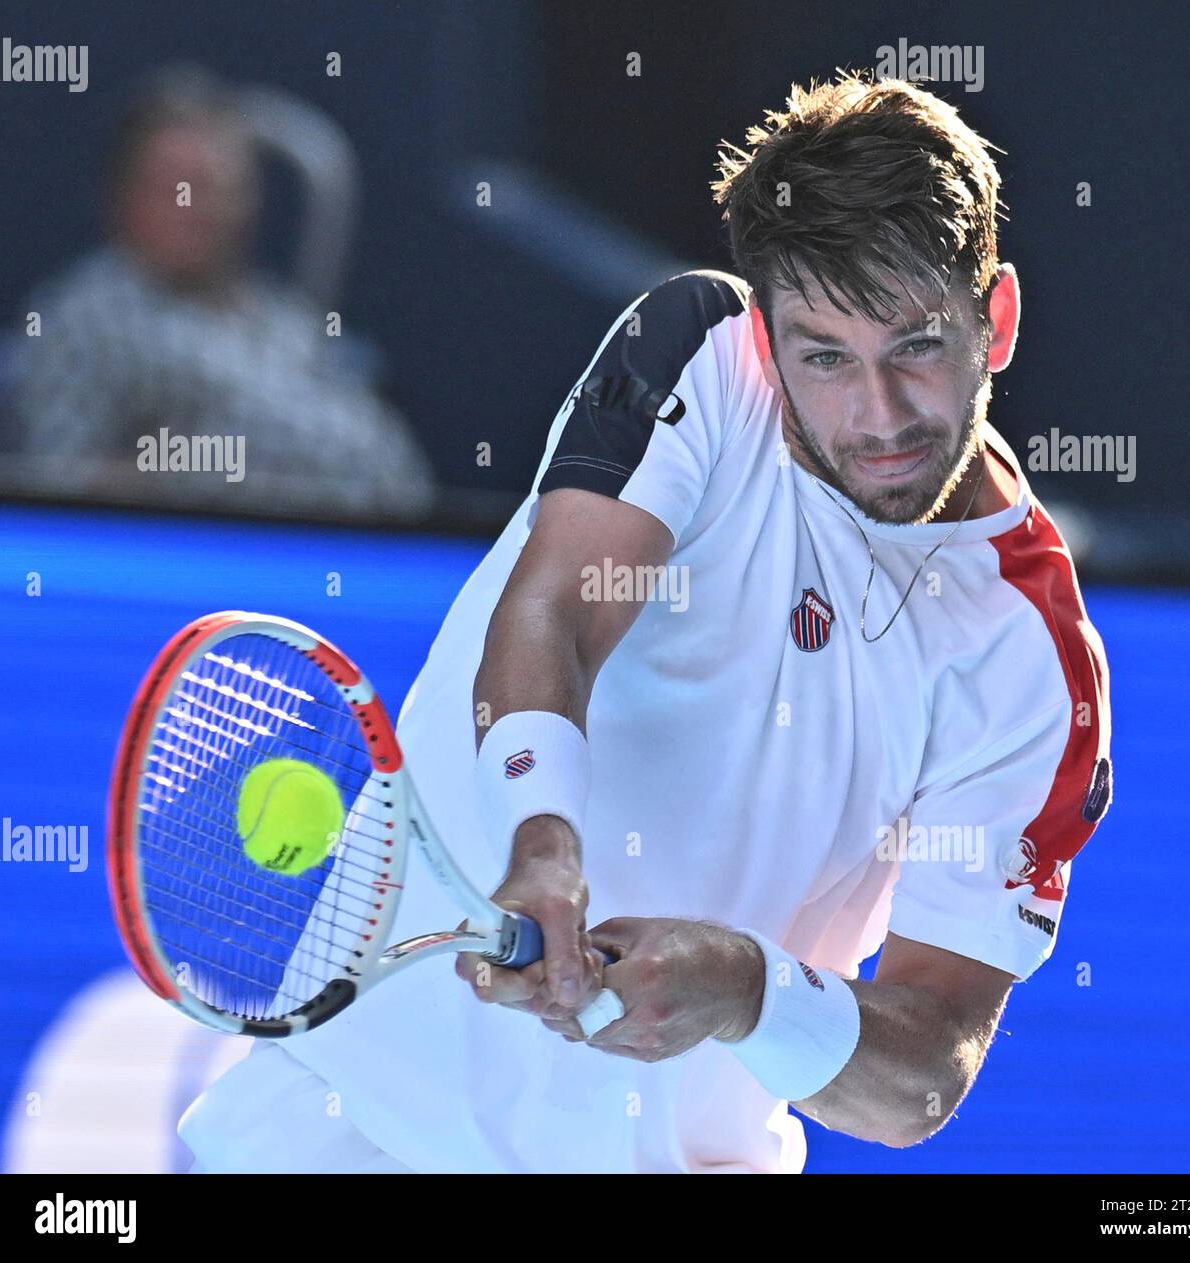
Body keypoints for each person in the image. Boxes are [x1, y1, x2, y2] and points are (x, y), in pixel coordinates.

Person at [179, 68, 1112, 1174]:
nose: (879, 416)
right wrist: (543, 840)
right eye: (825, 356)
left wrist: (748, 992)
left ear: (993, 320)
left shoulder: (1032, 668)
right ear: (767, 337)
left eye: (916, 345)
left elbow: (925, 1071)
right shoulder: (702, 354)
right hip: (341, 1130)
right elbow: (559, 611)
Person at [12, 66, 435, 517]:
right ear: (123, 197)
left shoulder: (287, 319)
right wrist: (193, 474)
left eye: (213, 186)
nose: (193, 208)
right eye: (173, 186)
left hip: (364, 548)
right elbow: (59, 488)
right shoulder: (89, 315)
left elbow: (386, 454)